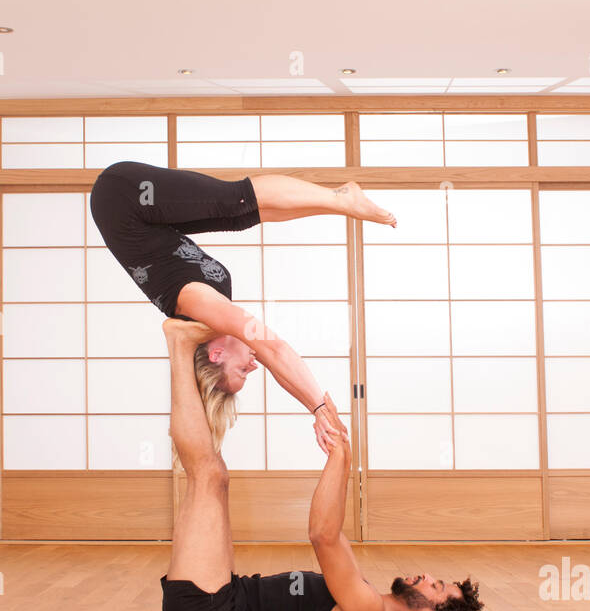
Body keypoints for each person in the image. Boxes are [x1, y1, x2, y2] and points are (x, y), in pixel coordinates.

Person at [159, 318, 484, 611]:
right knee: (216, 477)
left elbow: (323, 535)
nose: (429, 578)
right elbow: (333, 535)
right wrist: (341, 451)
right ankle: (182, 347)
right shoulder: (366, 595)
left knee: (208, 475)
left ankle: (180, 345)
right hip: (226, 596)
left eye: (437, 588)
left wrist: (339, 453)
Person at [89, 160, 395, 455]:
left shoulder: (198, 308)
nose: (252, 365)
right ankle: (340, 201)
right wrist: (314, 408)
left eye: (241, 371)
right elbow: (269, 356)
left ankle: (342, 200)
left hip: (122, 196)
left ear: (216, 354)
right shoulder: (211, 324)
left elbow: (274, 350)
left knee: (235, 199)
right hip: (137, 211)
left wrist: (318, 408)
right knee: (239, 215)